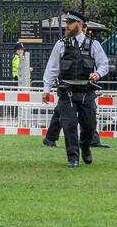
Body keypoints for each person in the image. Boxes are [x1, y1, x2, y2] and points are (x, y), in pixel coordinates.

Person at [41, 9, 109, 168]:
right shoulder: (60, 45)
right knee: (69, 126)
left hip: (87, 94)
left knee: (89, 126)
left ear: (79, 25)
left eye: (70, 23)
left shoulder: (93, 44)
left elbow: (104, 64)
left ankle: (85, 146)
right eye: (66, 23)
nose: (67, 26)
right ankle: (73, 158)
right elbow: (52, 68)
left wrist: (97, 74)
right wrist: (46, 89)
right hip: (67, 93)